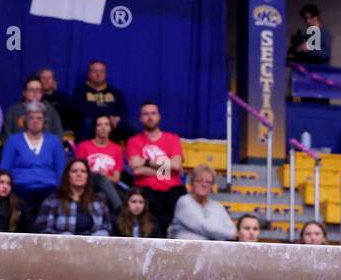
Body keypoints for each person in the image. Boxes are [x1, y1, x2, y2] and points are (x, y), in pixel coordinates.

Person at [0, 104, 64, 222]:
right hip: (20, 188)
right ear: (25, 120)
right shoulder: (13, 140)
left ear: (44, 121)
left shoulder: (54, 141)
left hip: (48, 189)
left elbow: (60, 169)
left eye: (39, 118)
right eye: (31, 118)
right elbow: (4, 169)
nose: (35, 121)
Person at [126, 101, 185, 232]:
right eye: (146, 114)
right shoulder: (133, 141)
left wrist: (146, 162)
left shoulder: (172, 138)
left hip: (172, 189)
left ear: (159, 116)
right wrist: (166, 167)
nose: (150, 117)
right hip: (147, 189)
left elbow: (176, 165)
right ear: (140, 118)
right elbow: (136, 170)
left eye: (153, 113)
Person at [33, 159, 111, 236]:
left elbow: (107, 226)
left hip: (92, 244)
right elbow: (43, 228)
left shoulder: (99, 200)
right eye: (74, 171)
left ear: (88, 176)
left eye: (83, 171)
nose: (79, 174)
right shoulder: (52, 200)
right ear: (67, 175)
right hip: (63, 245)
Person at [74, 113, 126, 211]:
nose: (103, 128)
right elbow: (78, 171)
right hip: (88, 184)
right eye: (99, 125)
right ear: (94, 128)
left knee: (103, 188)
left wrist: (106, 176)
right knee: (99, 178)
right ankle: (120, 208)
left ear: (111, 128)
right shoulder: (83, 146)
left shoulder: (117, 149)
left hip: (109, 186)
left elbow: (116, 178)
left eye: (106, 125)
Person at [168, 165, 236, 241]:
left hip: (212, 250)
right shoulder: (184, 201)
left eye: (208, 182)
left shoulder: (217, 206)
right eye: (199, 181)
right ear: (191, 183)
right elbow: (202, 226)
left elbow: (232, 230)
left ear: (212, 186)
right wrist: (226, 234)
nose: (204, 184)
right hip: (186, 249)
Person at [69, 60, 129, 142]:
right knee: (88, 121)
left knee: (129, 126)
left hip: (113, 125)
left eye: (101, 71)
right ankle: (85, 152)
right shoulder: (80, 91)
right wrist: (107, 116)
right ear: (88, 74)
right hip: (91, 124)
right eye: (95, 71)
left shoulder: (115, 92)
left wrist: (117, 117)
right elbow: (79, 110)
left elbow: (123, 110)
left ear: (105, 74)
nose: (98, 74)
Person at [37, 67, 77, 133]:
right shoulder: (34, 98)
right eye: (43, 78)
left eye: (49, 78)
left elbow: (69, 120)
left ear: (54, 81)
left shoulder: (62, 98)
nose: (46, 80)